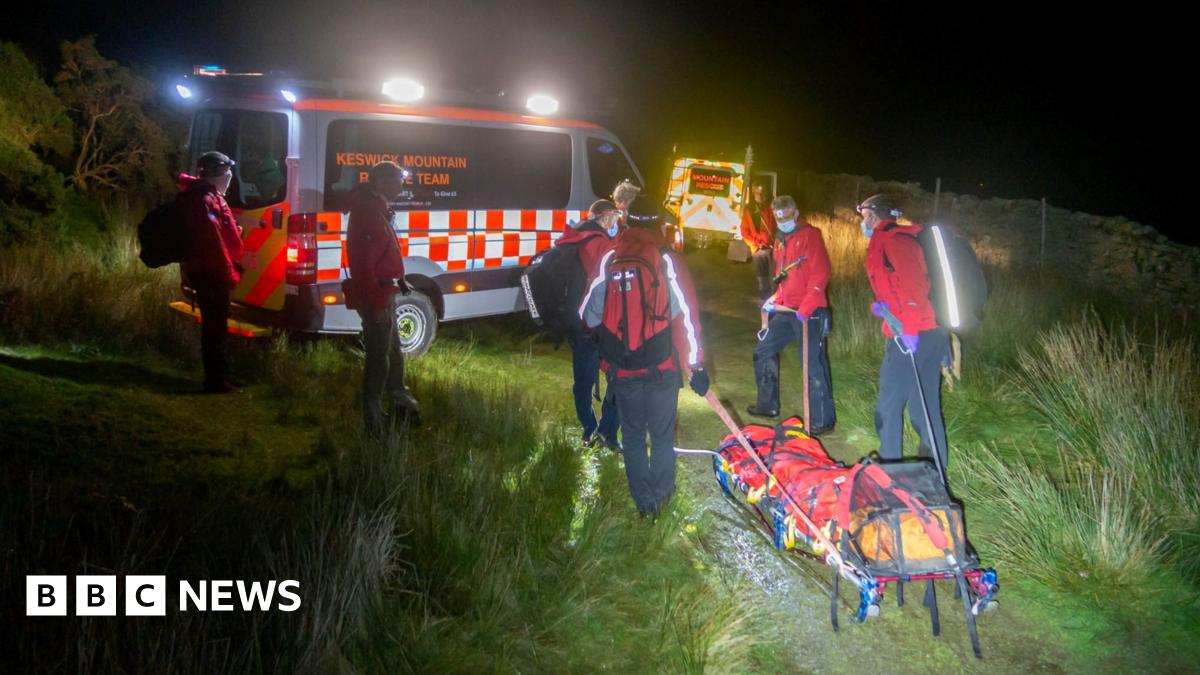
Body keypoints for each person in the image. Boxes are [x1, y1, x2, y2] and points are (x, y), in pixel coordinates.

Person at [579, 213, 709, 519]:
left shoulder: (610, 257)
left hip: (622, 371)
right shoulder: (667, 260)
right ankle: (663, 502)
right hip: (662, 367)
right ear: (660, 226)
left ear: (626, 223)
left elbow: (588, 315)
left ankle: (644, 503)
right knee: (662, 436)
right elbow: (687, 316)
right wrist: (696, 365)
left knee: (634, 436)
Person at [859, 193, 951, 469]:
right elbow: (897, 285)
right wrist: (884, 307)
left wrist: (908, 331)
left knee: (888, 407)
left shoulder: (896, 242)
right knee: (923, 409)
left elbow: (914, 290)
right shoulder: (887, 242)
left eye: (863, 215)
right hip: (927, 333)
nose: (861, 221)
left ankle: (890, 472)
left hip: (912, 336)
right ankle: (933, 472)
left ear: (873, 215)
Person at [748, 196, 835, 434]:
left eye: (787, 216)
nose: (783, 220)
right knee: (763, 350)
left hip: (810, 310)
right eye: (779, 217)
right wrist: (776, 298)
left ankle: (822, 420)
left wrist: (805, 309)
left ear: (796, 213)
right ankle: (767, 406)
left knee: (812, 365)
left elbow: (820, 273)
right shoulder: (780, 239)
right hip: (787, 310)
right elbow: (785, 275)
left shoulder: (811, 235)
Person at [345, 161, 420, 434]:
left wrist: (398, 279)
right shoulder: (368, 211)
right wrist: (377, 303)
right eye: (398, 179)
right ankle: (373, 420)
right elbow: (364, 266)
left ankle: (399, 406)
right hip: (377, 294)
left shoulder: (377, 207)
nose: (402, 184)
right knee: (378, 358)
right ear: (382, 182)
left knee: (393, 354)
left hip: (385, 291)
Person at [553, 199, 622, 448]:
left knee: (582, 379)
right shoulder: (600, 243)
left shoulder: (575, 235)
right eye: (615, 217)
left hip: (575, 318)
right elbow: (605, 284)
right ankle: (605, 432)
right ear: (605, 217)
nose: (617, 222)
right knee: (616, 376)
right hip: (596, 321)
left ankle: (588, 427)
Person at [180, 151, 244, 394]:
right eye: (226, 171)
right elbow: (219, 242)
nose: (229, 176)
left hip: (209, 270)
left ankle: (221, 374)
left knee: (217, 325)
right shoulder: (206, 200)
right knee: (214, 327)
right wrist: (229, 272)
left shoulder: (205, 197)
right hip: (212, 272)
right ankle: (215, 380)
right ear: (218, 173)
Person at [740, 181, 777, 300]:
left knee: (775, 277)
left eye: (762, 193)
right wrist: (755, 243)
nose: (760, 196)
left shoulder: (772, 208)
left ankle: (775, 299)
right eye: (757, 193)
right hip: (758, 249)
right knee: (762, 278)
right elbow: (744, 232)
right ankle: (764, 299)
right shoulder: (749, 210)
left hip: (773, 248)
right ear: (753, 194)